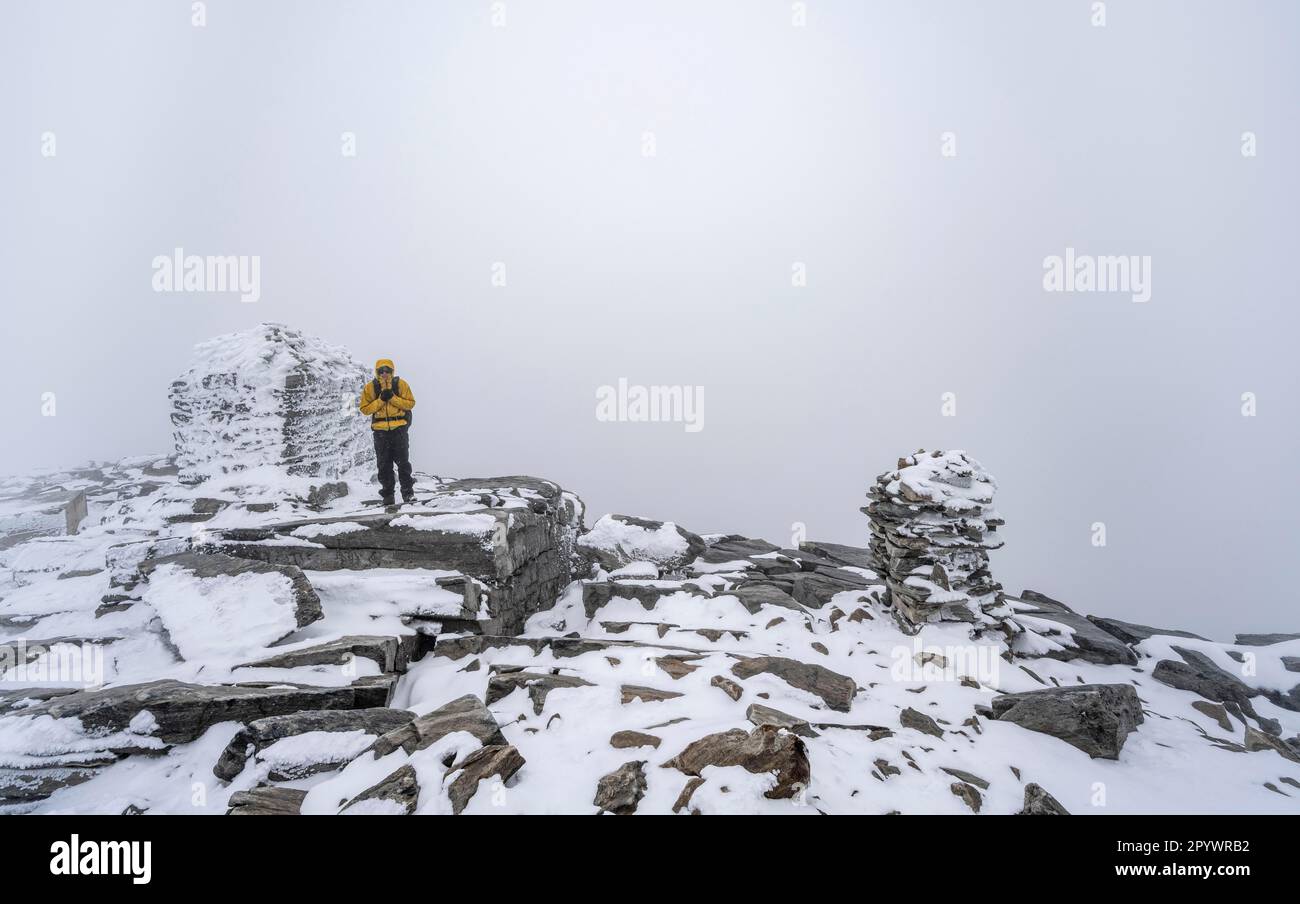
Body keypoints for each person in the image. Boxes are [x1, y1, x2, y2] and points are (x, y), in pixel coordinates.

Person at [358, 358, 416, 505]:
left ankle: (408, 494)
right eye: (381, 370)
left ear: (392, 371)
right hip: (380, 431)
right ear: (377, 371)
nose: (384, 373)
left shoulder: (400, 384)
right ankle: (388, 496)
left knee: (403, 463)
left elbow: (410, 403)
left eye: (387, 370)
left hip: (399, 429)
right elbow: (365, 409)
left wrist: (392, 398)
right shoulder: (370, 388)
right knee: (384, 465)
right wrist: (381, 400)